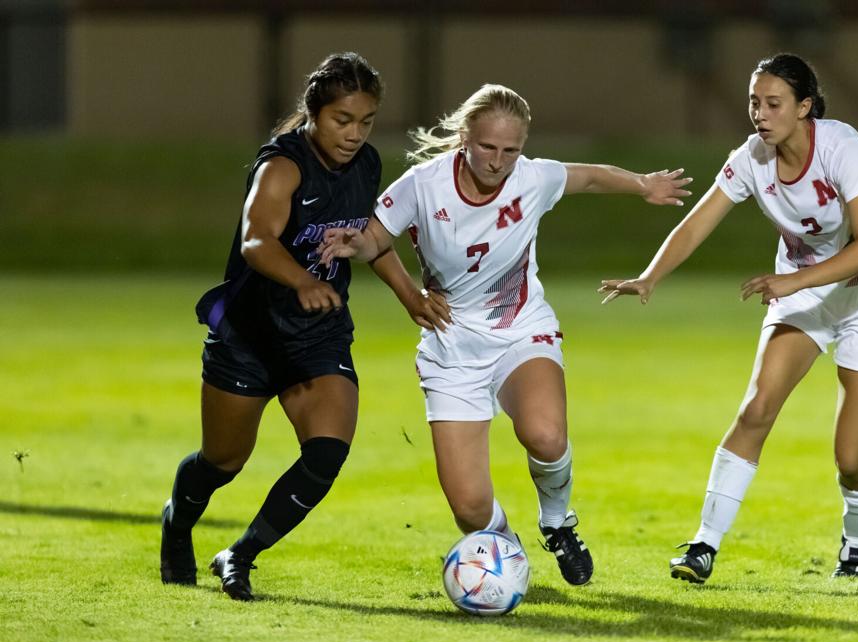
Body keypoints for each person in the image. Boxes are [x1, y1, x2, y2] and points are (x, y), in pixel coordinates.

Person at [319, 83, 691, 586]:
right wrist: (354, 244)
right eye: (487, 148)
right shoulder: (424, 185)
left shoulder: (532, 179)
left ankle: (558, 522)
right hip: (450, 345)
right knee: (471, 508)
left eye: (510, 150)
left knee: (544, 433)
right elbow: (376, 240)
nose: (497, 162)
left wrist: (644, 184)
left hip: (521, 330)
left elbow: (590, 179)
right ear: (464, 137)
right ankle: (508, 556)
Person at [600, 53, 858, 581]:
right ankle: (703, 545)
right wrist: (650, 276)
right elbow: (700, 220)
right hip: (804, 294)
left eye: (773, 103)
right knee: (756, 409)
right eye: (754, 102)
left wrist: (792, 281)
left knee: (851, 456)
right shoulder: (752, 156)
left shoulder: (843, 147)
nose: (760, 114)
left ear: (805, 108)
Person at [159, 53, 442, 601]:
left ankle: (239, 554)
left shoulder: (366, 165)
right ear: (313, 113)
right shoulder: (282, 166)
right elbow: (256, 240)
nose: (355, 134)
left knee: (327, 452)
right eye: (343, 120)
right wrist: (302, 281)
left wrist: (410, 295)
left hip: (318, 334)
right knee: (222, 461)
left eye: (366, 121)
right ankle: (178, 522)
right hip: (250, 336)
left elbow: (366, 236)